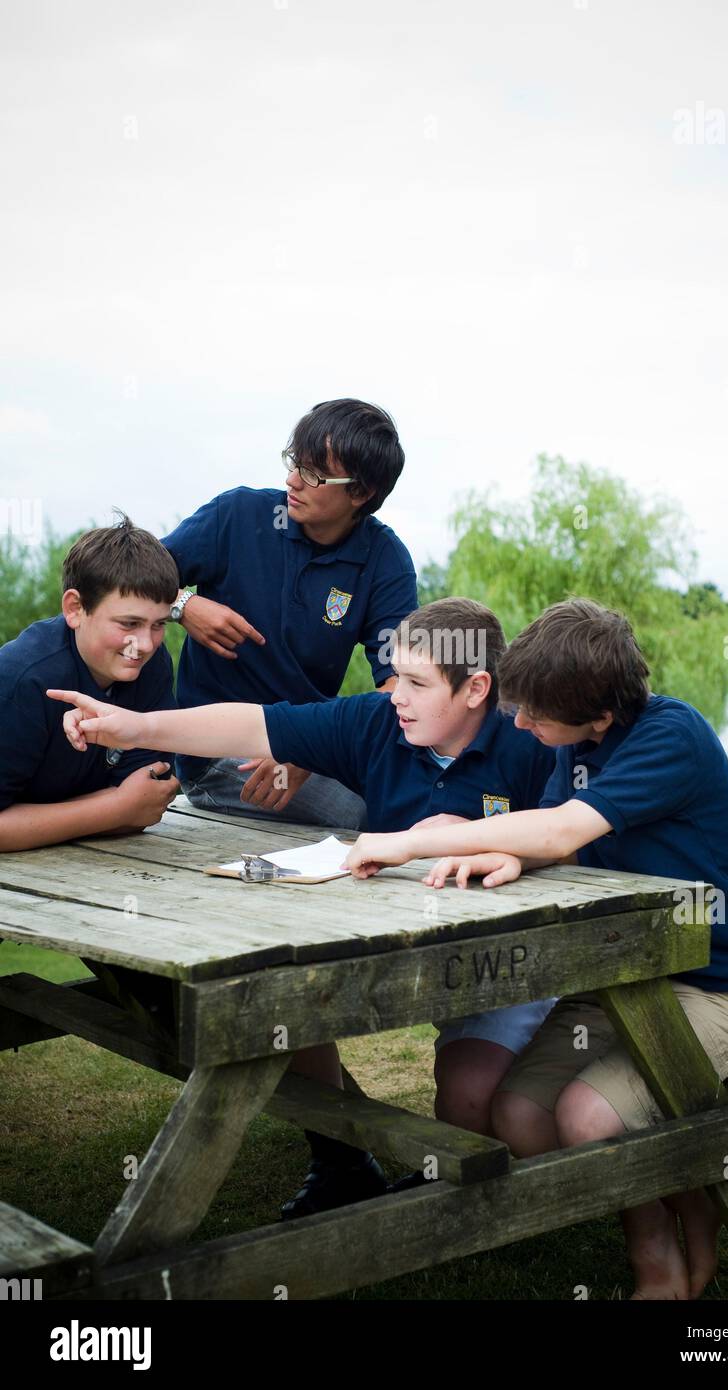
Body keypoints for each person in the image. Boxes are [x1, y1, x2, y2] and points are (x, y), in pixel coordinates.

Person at [338, 598, 728, 1301]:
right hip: (625, 978)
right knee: (519, 1116)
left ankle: (662, 1262)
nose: (517, 725)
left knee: (587, 1117)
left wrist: (405, 841)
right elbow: (561, 838)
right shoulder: (576, 745)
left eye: (533, 716)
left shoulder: (671, 736)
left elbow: (559, 830)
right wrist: (511, 856)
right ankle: (685, 1191)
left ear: (600, 714)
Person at [47, 598, 557, 1217]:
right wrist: (136, 727)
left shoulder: (534, 737)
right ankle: (343, 1160)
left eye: (418, 684)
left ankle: (490, 1202)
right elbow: (253, 725)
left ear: (477, 688)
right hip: (405, 941)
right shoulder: (378, 720)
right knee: (285, 999)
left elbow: (577, 840)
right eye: (396, 676)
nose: (397, 694)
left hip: (506, 959)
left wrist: (493, 841)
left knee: (470, 1106)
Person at [161, 398, 416, 830]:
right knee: (362, 813)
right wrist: (182, 604)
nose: (292, 480)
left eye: (314, 473)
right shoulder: (236, 515)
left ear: (361, 492)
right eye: (294, 462)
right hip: (217, 750)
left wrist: (310, 750)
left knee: (413, 799)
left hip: (304, 750)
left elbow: (399, 686)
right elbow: (121, 577)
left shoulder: (386, 560)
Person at [0, 515, 180, 853]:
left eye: (159, 625)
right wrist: (114, 808)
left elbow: (147, 800)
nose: (145, 644)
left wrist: (125, 807)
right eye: (129, 623)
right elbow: (129, 807)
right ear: (75, 609)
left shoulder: (151, 665)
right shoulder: (22, 679)